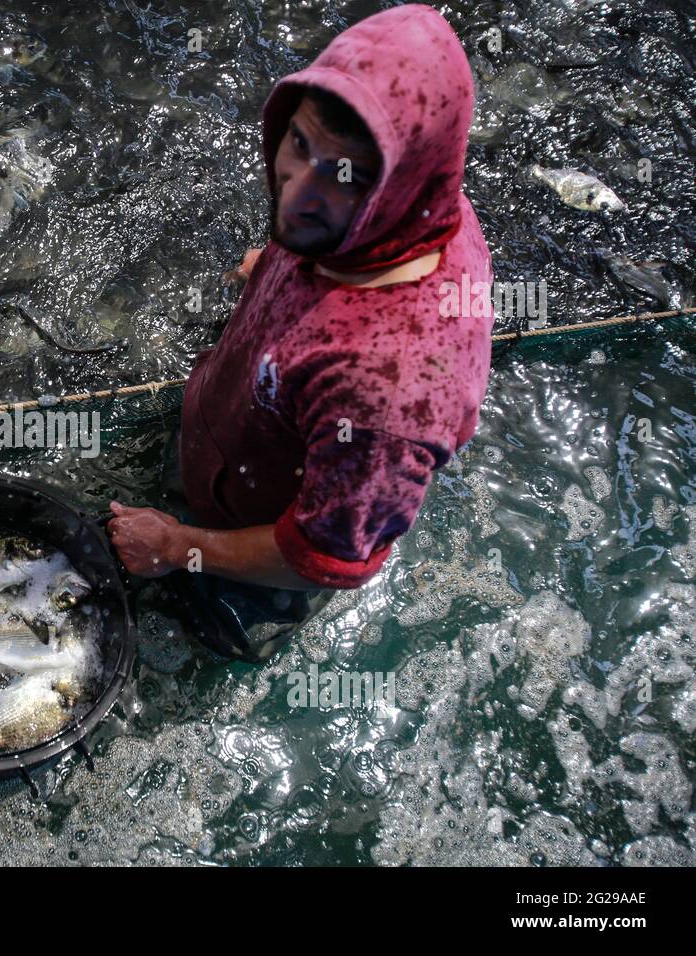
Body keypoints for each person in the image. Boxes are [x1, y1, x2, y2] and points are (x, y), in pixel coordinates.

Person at [106, 4, 495, 661]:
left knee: (204, 638)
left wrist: (176, 547)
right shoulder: (395, 215)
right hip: (239, 444)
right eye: (299, 145)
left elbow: (320, 557)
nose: (296, 196)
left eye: (343, 177)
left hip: (257, 556)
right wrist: (282, 268)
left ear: (398, 188)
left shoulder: (390, 392)